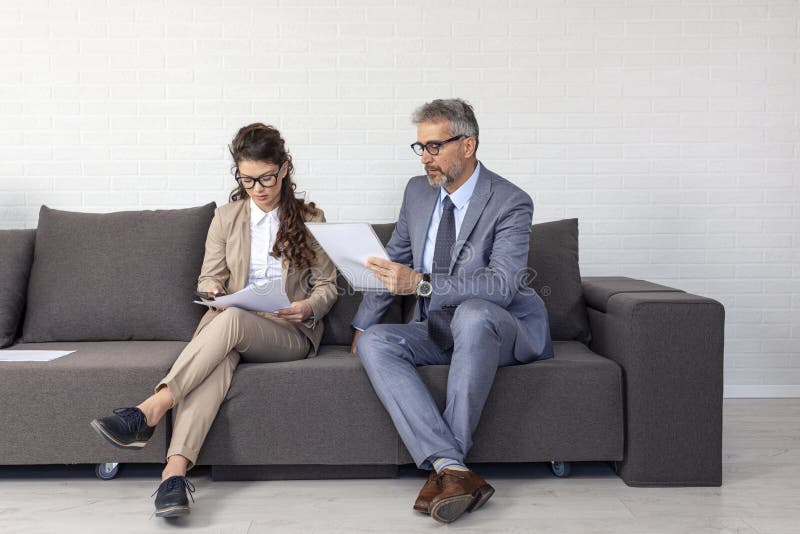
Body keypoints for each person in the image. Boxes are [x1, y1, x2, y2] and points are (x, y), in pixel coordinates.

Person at [90, 123, 338, 518]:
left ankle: (152, 409)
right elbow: (210, 277)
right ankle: (172, 477)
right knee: (216, 361)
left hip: (288, 330)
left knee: (232, 322)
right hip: (232, 327)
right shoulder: (226, 217)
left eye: (267, 178)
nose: (258, 188)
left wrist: (307, 307)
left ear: (285, 169)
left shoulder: (310, 217)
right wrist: (214, 292)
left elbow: (328, 284)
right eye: (247, 179)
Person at [351, 99, 553, 524]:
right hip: (436, 328)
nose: (426, 157)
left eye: (435, 146)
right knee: (379, 342)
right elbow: (396, 259)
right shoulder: (416, 192)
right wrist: (362, 324)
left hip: (500, 328)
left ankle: (449, 464)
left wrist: (422, 284)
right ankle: (452, 469)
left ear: (468, 145)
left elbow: (502, 283)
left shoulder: (511, 201)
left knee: (474, 313)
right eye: (420, 147)